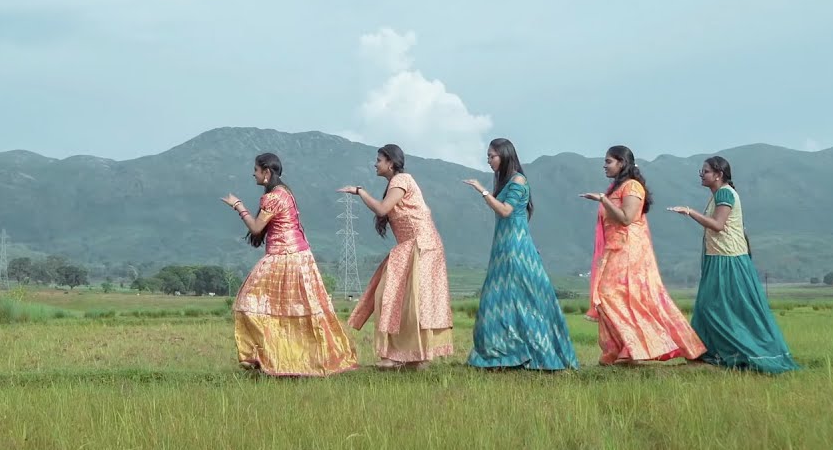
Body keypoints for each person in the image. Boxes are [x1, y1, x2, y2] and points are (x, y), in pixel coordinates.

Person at [222, 153, 358, 376]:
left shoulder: (273, 197)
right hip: (299, 257)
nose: (253, 173)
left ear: (266, 172)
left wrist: (238, 206)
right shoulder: (286, 193)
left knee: (247, 302)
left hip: (284, 256)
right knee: (291, 311)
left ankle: (260, 357)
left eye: (255, 169)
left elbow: (256, 228)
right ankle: (280, 360)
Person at [667, 156, 799, 373]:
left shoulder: (725, 193)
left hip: (728, 259)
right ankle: (709, 352)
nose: (702, 175)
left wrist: (690, 212)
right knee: (709, 306)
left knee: (723, 307)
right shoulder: (719, 194)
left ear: (718, 175)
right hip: (719, 256)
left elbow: (718, 225)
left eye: (706, 172)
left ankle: (742, 352)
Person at [461, 138, 578, 370]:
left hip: (515, 249)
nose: (489, 161)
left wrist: (482, 191)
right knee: (500, 300)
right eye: (488, 156)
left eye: (492, 156)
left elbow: (506, 211)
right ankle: (505, 353)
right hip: (503, 248)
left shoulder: (518, 180)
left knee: (518, 299)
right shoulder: (505, 182)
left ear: (504, 155)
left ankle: (524, 353)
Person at [581, 145, 705, 365]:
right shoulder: (614, 188)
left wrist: (603, 200)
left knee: (611, 294)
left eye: (608, 161)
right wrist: (605, 198)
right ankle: (625, 350)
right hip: (614, 248)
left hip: (629, 250)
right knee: (609, 296)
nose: (604, 165)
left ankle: (635, 349)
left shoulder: (633, 187)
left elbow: (627, 218)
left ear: (622, 162)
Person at [339, 144, 455, 369]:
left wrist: (359, 191)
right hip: (411, 245)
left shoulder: (401, 180)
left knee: (411, 301)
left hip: (422, 244)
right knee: (392, 296)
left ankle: (414, 357)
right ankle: (402, 355)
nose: (376, 164)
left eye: (379, 160)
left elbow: (382, 209)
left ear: (390, 163)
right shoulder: (396, 183)